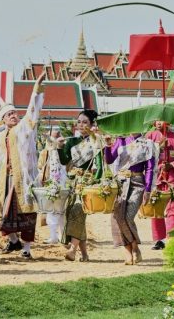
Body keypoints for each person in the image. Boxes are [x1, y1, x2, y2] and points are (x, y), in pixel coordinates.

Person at [0, 74, 45, 259]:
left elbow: (32, 111)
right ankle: (14, 241)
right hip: (6, 180)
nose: (13, 116)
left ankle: (27, 249)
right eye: (9, 115)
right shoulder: (1, 135)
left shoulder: (24, 128)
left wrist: (36, 88)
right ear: (3, 120)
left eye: (14, 113)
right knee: (3, 214)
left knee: (27, 213)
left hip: (24, 178)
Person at [56, 110, 104, 262]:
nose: (81, 125)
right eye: (79, 122)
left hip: (86, 182)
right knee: (72, 214)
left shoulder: (96, 141)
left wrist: (95, 182)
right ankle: (85, 254)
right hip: (72, 182)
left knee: (78, 212)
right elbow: (64, 161)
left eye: (85, 122)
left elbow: (99, 164)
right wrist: (59, 148)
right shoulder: (71, 142)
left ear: (91, 125)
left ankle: (72, 249)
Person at [105, 133, 155, 264]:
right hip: (121, 182)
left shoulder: (147, 143)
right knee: (119, 217)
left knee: (128, 216)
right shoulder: (121, 141)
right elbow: (109, 160)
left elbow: (150, 168)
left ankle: (134, 248)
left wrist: (148, 189)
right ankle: (130, 249)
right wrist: (107, 145)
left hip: (138, 183)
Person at [146, 120, 174, 250]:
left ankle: (173, 240)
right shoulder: (150, 136)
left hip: (172, 180)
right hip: (156, 179)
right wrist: (158, 148)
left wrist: (172, 165)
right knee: (156, 210)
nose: (159, 123)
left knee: (173, 209)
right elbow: (143, 156)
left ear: (168, 122)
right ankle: (160, 240)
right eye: (157, 120)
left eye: (162, 119)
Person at [36, 129, 66, 244]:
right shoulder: (44, 152)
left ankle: (63, 236)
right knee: (51, 210)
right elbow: (40, 166)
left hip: (63, 183)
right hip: (49, 183)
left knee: (63, 210)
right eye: (51, 138)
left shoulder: (63, 149)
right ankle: (53, 236)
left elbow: (68, 165)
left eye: (56, 136)